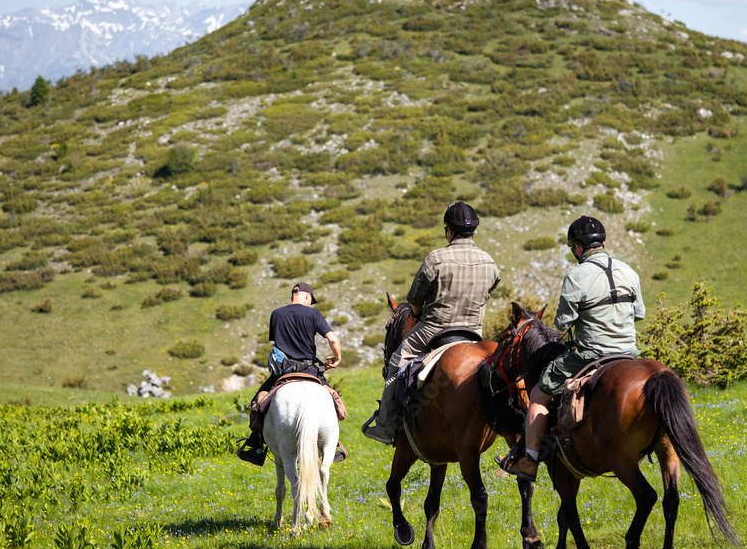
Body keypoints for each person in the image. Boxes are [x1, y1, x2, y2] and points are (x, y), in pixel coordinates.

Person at [501, 215, 645, 481]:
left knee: (539, 394)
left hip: (590, 353)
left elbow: (562, 321)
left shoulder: (576, 275)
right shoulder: (629, 271)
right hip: (628, 353)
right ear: (601, 242)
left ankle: (529, 460)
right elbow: (639, 314)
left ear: (578, 248)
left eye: (573, 249)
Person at [362, 202, 500, 445]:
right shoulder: (489, 262)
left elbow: (415, 300)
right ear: (473, 231)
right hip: (473, 335)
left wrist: (416, 312)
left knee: (397, 364)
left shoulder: (436, 258)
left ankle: (384, 427)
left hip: (434, 329)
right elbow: (490, 290)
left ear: (449, 231)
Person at [237, 282, 348, 466]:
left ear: (292, 296)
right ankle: (333, 442)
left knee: (258, 403)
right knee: (334, 402)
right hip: (311, 370)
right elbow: (332, 339)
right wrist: (337, 359)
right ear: (308, 297)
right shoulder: (314, 313)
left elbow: (279, 345)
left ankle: (255, 444)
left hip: (283, 372)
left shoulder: (277, 314)